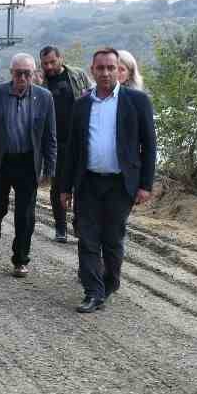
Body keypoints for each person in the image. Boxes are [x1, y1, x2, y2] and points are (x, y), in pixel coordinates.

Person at [59, 48, 156, 313]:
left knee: (112, 239)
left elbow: (149, 146)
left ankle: (110, 283)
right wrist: (65, 187)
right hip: (88, 182)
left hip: (120, 184)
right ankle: (93, 291)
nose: (105, 73)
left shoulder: (137, 102)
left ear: (119, 71)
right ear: (92, 71)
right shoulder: (82, 105)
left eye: (110, 68)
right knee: (87, 238)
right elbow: (72, 151)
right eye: (100, 68)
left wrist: (145, 185)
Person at [0, 53, 57, 277]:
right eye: (18, 73)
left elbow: (50, 136)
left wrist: (50, 168)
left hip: (27, 162)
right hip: (0, 162)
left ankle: (20, 259)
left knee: (25, 215)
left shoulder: (45, 97)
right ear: (11, 72)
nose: (22, 77)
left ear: (34, 74)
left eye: (27, 73)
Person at [40, 45, 91, 243]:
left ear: (61, 58)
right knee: (58, 186)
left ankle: (79, 225)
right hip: (55, 142)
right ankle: (60, 227)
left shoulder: (78, 75)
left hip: (79, 140)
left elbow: (90, 98)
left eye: (52, 62)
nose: (49, 66)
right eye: (45, 63)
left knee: (81, 184)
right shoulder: (40, 82)